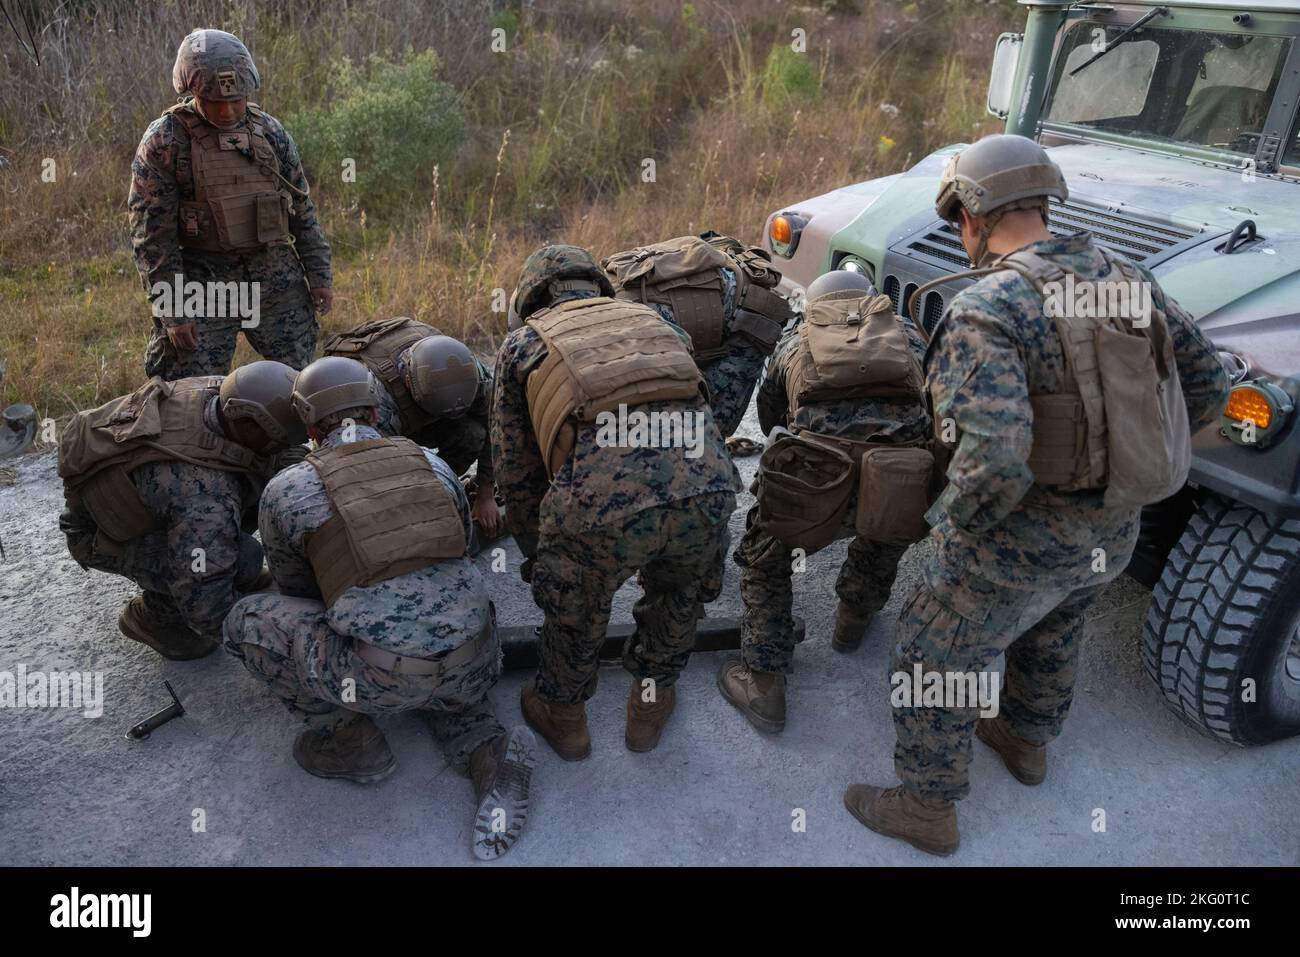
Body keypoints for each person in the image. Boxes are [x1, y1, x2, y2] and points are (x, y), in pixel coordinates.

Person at [844, 134, 1231, 856]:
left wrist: (946, 528)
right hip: (1112, 531)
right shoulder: (1126, 277)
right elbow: (1207, 384)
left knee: (934, 651)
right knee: (1055, 625)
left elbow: (992, 460)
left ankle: (927, 805)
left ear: (971, 215)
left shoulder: (989, 307)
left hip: (1015, 541)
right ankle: (1025, 742)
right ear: (1040, 201)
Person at [222, 356, 534, 861]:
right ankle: (482, 741)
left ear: (307, 424)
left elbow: (300, 592)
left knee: (246, 621)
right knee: (438, 623)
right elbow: (459, 543)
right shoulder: (434, 465)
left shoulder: (288, 490)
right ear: (376, 409)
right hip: (478, 657)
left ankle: (350, 738)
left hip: (378, 679)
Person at [493, 244, 741, 758]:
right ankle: (650, 706)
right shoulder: (661, 323)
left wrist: (542, 556)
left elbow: (516, 473)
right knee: (678, 598)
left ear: (532, 296)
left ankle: (564, 718)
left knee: (577, 609)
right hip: (707, 487)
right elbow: (702, 405)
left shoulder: (522, 345)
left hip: (599, 509)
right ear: (599, 287)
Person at [718, 269, 930, 733]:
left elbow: (771, 418)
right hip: (895, 480)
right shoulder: (910, 335)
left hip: (817, 485)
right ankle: (852, 620)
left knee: (765, 562)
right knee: (884, 537)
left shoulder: (796, 338)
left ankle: (765, 684)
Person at [58, 361, 302, 659]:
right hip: (100, 535)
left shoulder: (224, 392)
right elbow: (205, 601)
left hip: (148, 498)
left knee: (238, 538)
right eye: (278, 436)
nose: (283, 443)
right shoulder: (203, 494)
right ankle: (154, 619)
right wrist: (276, 650)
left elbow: (288, 454)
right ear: (249, 426)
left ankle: (229, 565)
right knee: (241, 559)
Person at [128, 29, 331, 379]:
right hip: (203, 284)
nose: (227, 111)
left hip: (273, 277)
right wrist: (174, 309)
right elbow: (152, 237)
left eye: (236, 100)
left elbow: (301, 210)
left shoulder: (269, 132)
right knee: (188, 398)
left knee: (304, 384)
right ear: (192, 92)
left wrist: (319, 274)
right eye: (215, 102)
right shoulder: (166, 141)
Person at [321, 317, 502, 539]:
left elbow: (495, 425)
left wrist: (486, 494)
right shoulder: (377, 398)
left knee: (473, 434)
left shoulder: (469, 372)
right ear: (409, 384)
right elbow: (368, 465)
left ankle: (435, 489)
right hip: (387, 427)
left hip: (422, 416)